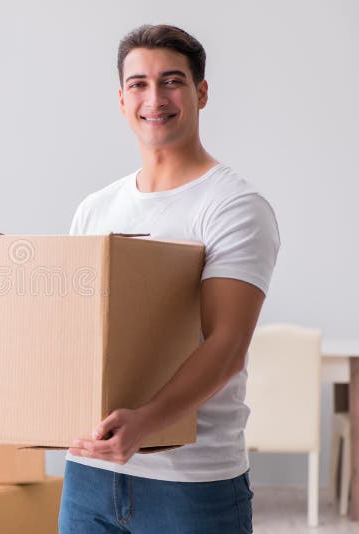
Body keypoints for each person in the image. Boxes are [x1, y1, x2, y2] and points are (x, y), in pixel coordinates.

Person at [59, 24, 280, 533]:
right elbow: (70, 335)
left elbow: (226, 345)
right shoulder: (95, 208)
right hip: (90, 472)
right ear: (121, 99)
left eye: (172, 81)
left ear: (201, 92)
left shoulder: (234, 206)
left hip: (191, 482)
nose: (154, 98)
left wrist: (145, 424)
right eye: (138, 84)